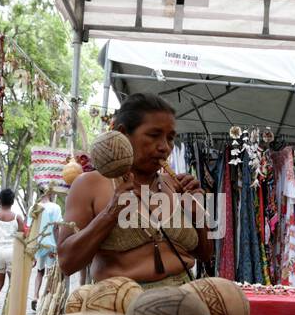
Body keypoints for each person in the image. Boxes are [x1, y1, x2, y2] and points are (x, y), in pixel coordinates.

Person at [57, 95, 214, 289]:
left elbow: (205, 255)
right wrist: (111, 213)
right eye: (154, 135)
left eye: (170, 138)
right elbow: (67, 263)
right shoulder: (90, 184)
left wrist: (197, 208)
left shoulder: (174, 186)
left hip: (183, 302)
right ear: (123, 133)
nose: (164, 147)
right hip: (120, 308)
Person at [0, 188, 27, 310]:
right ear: (12, 201)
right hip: (12, 252)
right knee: (13, 285)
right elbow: (23, 236)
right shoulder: (17, 218)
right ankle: (11, 311)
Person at [31, 186, 63, 312]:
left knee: (39, 271)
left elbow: (31, 229)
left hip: (38, 244)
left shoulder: (34, 207)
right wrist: (58, 245)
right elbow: (56, 227)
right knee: (51, 273)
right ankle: (45, 298)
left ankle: (35, 296)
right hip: (51, 244)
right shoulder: (55, 207)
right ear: (50, 192)